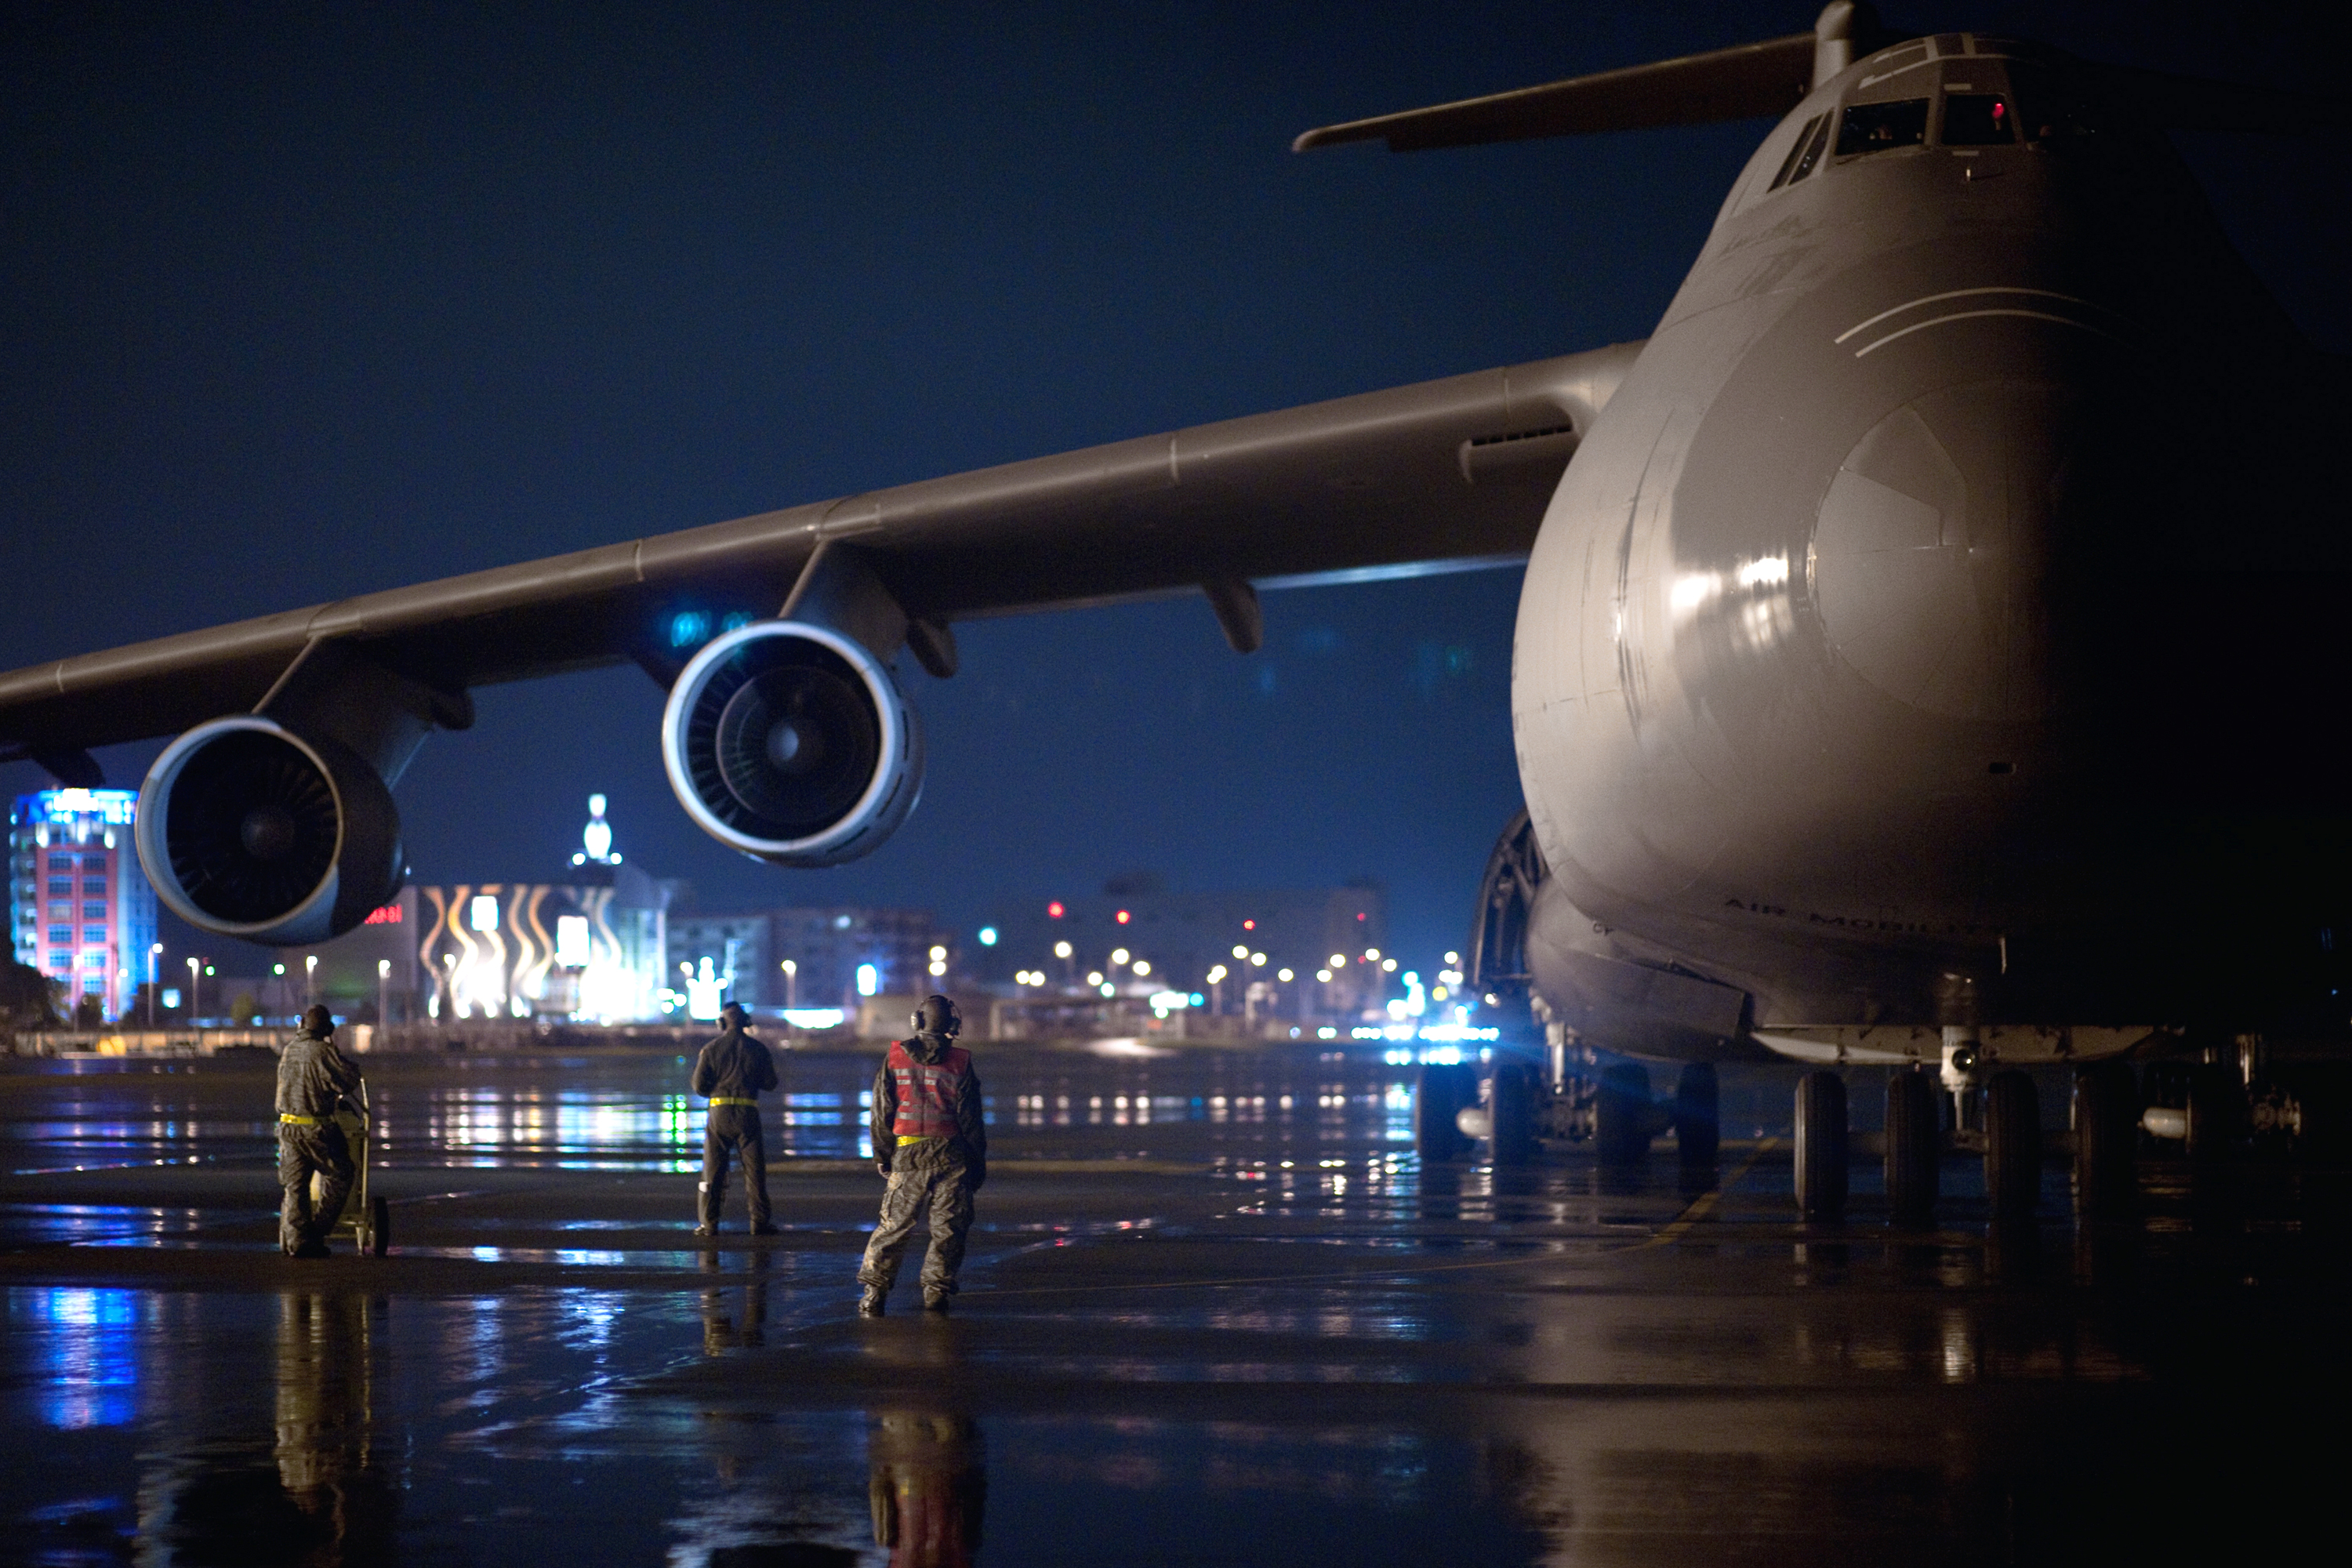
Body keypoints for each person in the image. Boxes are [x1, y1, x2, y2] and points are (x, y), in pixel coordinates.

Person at [858, 993, 986, 1316]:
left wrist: (882, 1155)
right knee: (949, 1229)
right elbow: (971, 1119)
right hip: (952, 1157)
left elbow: (881, 1111)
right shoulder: (961, 1062)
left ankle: (874, 1294)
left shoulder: (895, 1058)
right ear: (952, 1025)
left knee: (893, 1228)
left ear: (918, 1021)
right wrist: (977, 1163)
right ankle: (935, 1294)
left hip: (907, 1156)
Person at [278, 1004, 362, 1258]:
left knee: (296, 1187)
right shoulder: (323, 1052)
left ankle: (298, 1242)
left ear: (302, 1026)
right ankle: (317, 1232)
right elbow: (348, 1081)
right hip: (316, 1129)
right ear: (326, 1029)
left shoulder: (289, 1050)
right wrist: (333, 1048)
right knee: (343, 1173)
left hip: (287, 1128)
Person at [692, 1000, 779, 1236]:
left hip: (719, 1114)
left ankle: (709, 1224)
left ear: (721, 1022)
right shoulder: (759, 1049)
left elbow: (699, 1087)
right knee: (755, 1172)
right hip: (747, 1114)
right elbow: (771, 1083)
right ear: (746, 1023)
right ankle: (759, 1223)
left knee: (712, 1171)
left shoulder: (710, 1049)